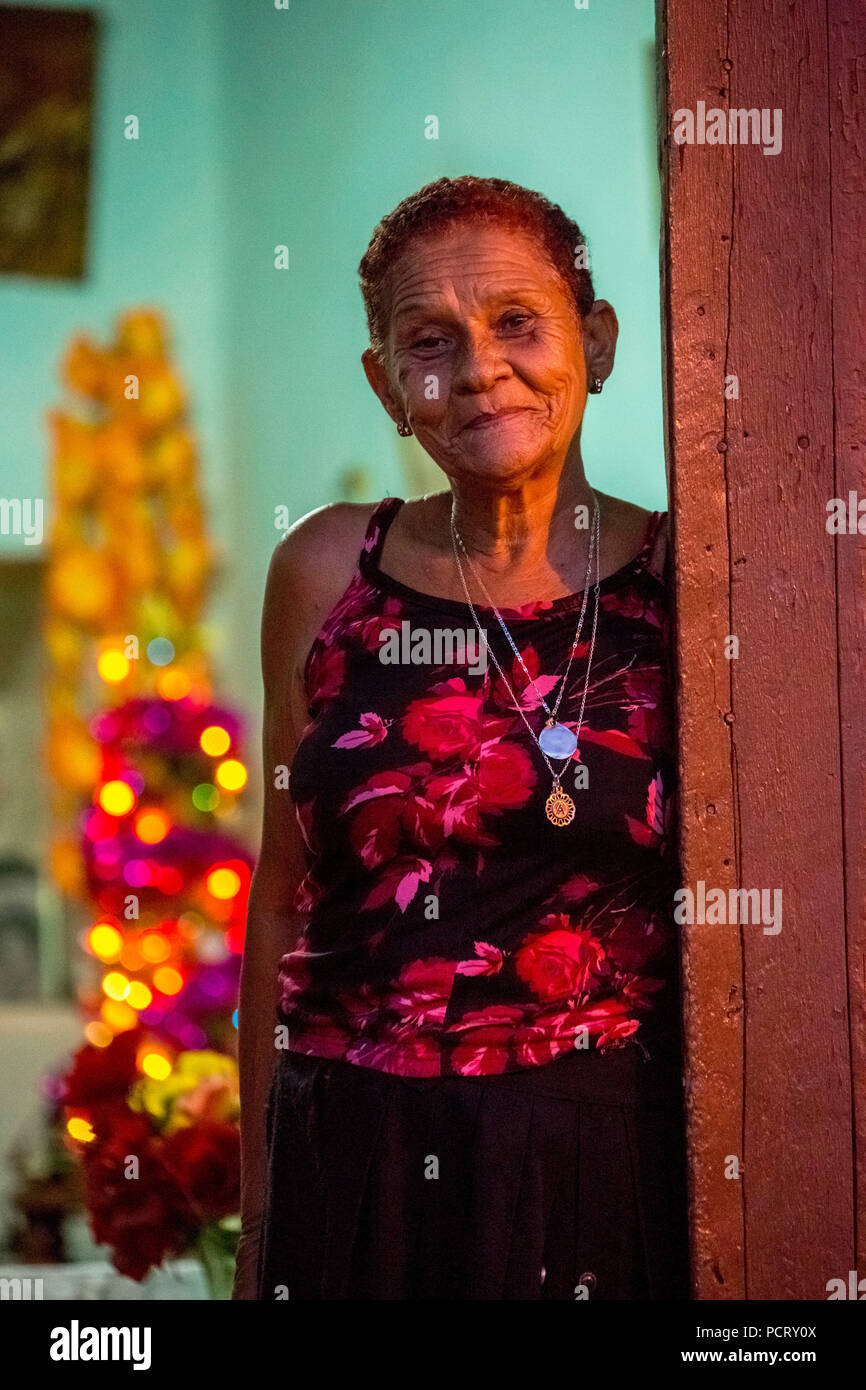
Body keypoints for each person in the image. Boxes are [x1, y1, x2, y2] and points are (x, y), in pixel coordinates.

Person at [233, 175, 690, 1301]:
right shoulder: (324, 570)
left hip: (588, 1161)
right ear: (387, 388)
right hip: (344, 1152)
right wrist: (258, 1226)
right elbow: (282, 896)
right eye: (426, 341)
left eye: (516, 323)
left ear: (597, 340)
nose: (478, 368)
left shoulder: (687, 585)